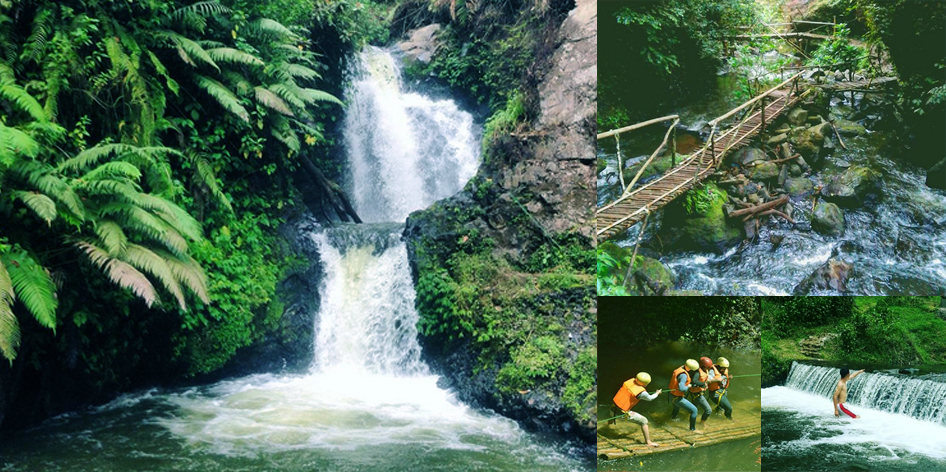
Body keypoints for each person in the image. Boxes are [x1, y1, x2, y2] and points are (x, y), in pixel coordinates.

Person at [609, 372, 664, 447]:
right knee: (644, 421)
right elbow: (650, 398)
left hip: (612, 408)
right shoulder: (642, 393)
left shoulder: (629, 382)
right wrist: (657, 393)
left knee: (615, 411)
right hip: (621, 414)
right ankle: (648, 442)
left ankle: (609, 425)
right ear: (645, 384)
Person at [670, 359, 704, 433]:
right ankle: (692, 429)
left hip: (671, 396)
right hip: (677, 398)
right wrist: (689, 386)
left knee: (676, 408)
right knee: (694, 410)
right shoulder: (683, 376)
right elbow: (681, 388)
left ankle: (672, 419)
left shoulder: (680, 369)